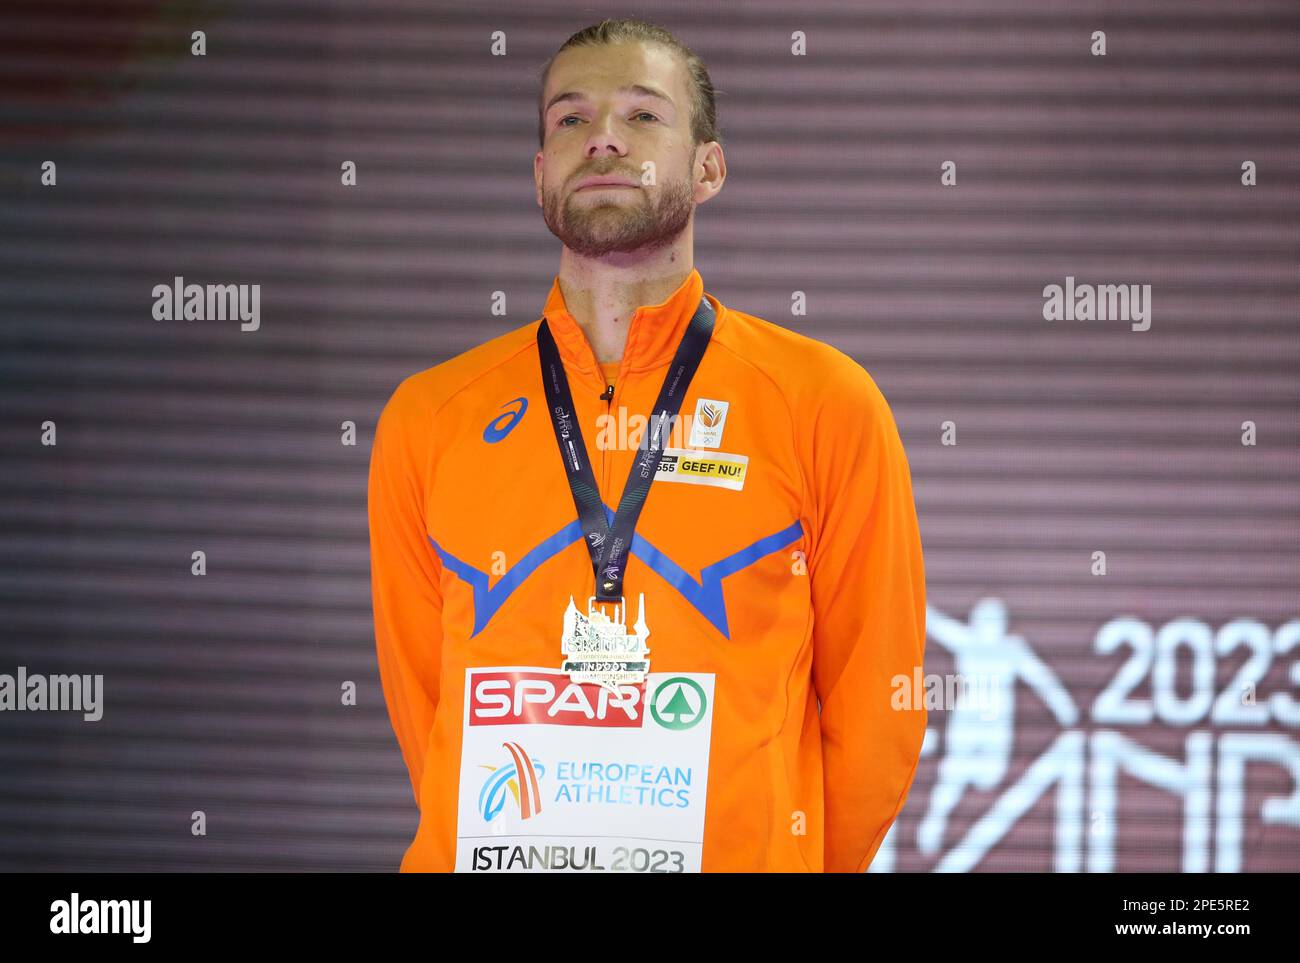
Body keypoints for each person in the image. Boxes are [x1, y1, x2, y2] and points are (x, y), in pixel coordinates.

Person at [368, 17, 927, 873]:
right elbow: (425, 706)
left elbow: (878, 707)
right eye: (569, 119)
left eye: (641, 116)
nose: (601, 140)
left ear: (708, 168)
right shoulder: (431, 415)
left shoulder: (823, 401)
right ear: (539, 175)